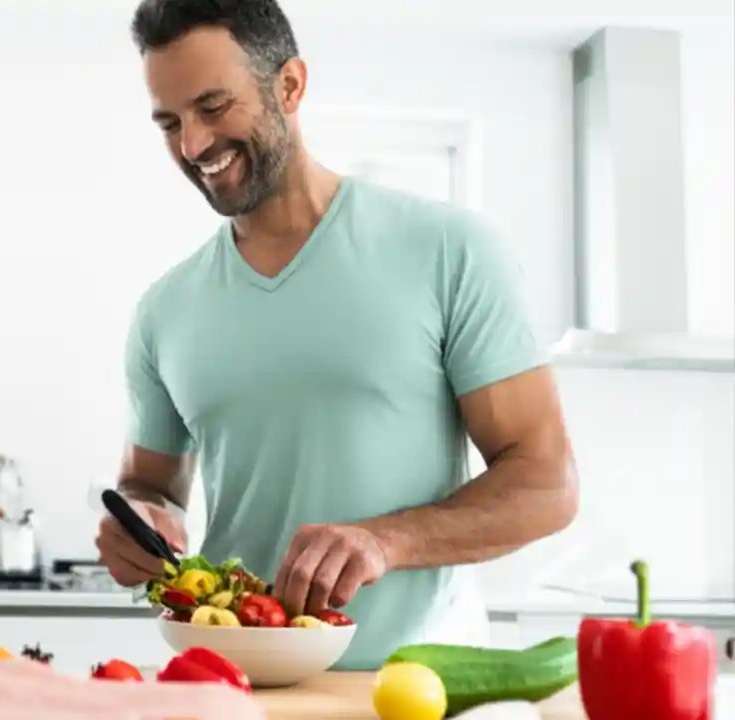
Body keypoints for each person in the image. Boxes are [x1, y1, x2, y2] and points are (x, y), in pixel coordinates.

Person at [94, 0, 579, 670]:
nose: (193, 145)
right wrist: (140, 524)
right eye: (170, 121)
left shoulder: (449, 250)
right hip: (240, 691)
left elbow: (546, 483)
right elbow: (150, 487)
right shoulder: (164, 310)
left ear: (289, 85)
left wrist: (388, 541)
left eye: (213, 107)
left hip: (422, 692)